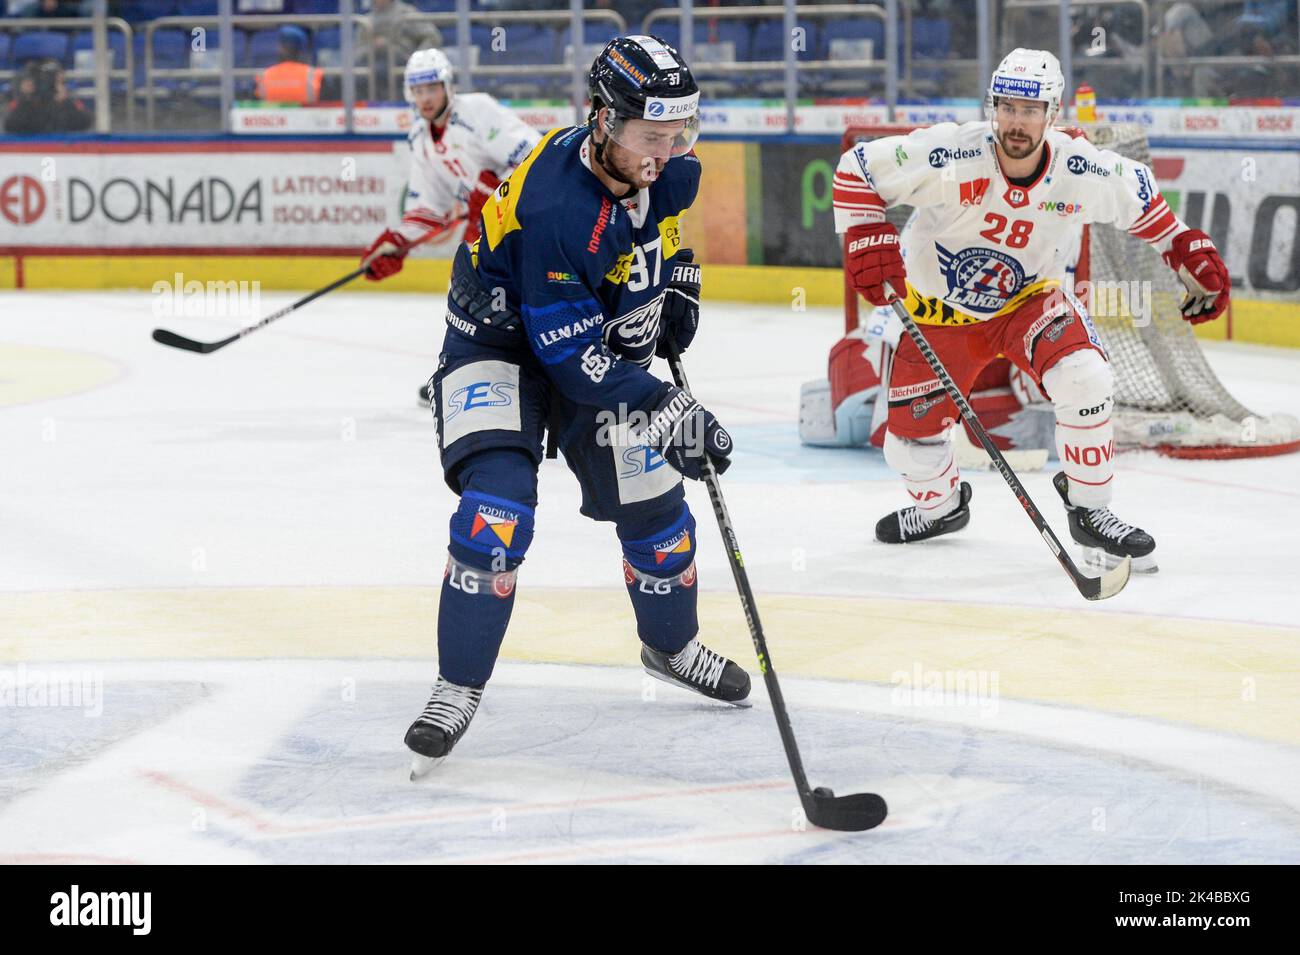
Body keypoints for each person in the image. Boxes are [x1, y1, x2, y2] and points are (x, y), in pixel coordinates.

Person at [403, 35, 749, 775]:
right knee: (496, 510)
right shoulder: (556, 205)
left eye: (677, 133)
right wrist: (667, 406)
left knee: (656, 505)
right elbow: (573, 361)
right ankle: (456, 686)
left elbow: (667, 222)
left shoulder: (664, 165)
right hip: (499, 347)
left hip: (585, 340)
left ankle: (670, 646)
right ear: (601, 118)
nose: (664, 151)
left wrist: (679, 285)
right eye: (647, 135)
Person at [833, 48, 1230, 574]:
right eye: (1007, 107)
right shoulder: (950, 154)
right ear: (991, 106)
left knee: (1086, 376)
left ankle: (1091, 510)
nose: (1016, 122)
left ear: (1054, 112)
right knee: (909, 448)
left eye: (1031, 109)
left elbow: (1146, 203)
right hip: (937, 314)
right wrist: (865, 230)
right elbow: (855, 168)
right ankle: (942, 508)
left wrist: (1186, 249)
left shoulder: (1080, 167)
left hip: (1030, 303)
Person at [359, 48, 540, 406]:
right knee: (465, 290)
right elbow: (430, 207)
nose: (425, 98)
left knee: (526, 295)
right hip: (485, 229)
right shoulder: (421, 139)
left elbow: (536, 158)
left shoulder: (477, 111)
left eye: (431, 88)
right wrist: (395, 243)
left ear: (447, 86)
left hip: (527, 221)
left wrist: (494, 191)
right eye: (417, 90)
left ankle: (542, 373)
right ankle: (466, 370)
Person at [363, 0, 442, 100]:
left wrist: (417, 59)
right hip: (373, 64)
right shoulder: (367, 19)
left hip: (403, 61)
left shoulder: (406, 13)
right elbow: (358, 49)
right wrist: (372, 47)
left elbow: (432, 37)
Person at [3, 59, 93, 135]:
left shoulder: (67, 99)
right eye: (41, 79)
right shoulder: (24, 100)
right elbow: (10, 126)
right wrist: (26, 100)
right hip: (29, 148)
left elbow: (84, 123)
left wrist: (65, 101)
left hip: (62, 146)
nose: (45, 84)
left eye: (50, 78)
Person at [254, 26, 326, 105]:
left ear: (280, 47)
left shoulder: (264, 75)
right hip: (307, 116)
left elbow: (252, 105)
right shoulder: (314, 74)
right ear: (300, 50)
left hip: (272, 117)